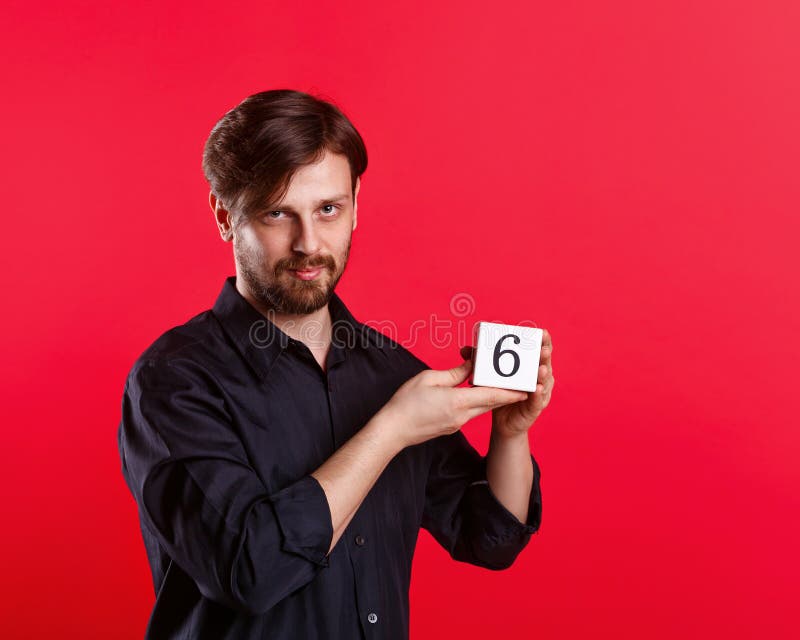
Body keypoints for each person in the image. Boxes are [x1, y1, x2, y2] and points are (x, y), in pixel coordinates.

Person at [117, 89, 555, 640]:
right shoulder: (173, 383)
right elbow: (250, 571)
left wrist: (511, 434)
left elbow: (488, 536)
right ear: (225, 216)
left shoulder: (391, 371)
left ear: (355, 205)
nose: (309, 243)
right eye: (278, 213)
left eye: (329, 209)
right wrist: (391, 431)